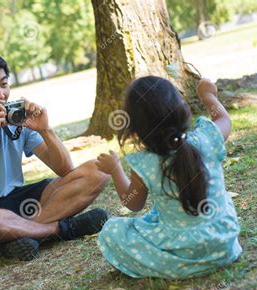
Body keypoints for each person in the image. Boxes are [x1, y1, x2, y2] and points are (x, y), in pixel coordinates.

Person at [0, 50, 110, 261]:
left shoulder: (17, 117)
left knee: (99, 170)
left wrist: (45, 130)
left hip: (22, 204)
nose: (0, 94)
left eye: (4, 84)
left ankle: (11, 238)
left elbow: (66, 170)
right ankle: (61, 229)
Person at [95, 76, 242, 278]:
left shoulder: (145, 163)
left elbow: (133, 204)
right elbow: (224, 119)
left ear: (134, 129)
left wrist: (115, 170)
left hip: (180, 251)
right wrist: (208, 96)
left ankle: (180, 265)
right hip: (224, 243)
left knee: (111, 230)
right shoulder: (206, 137)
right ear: (181, 109)